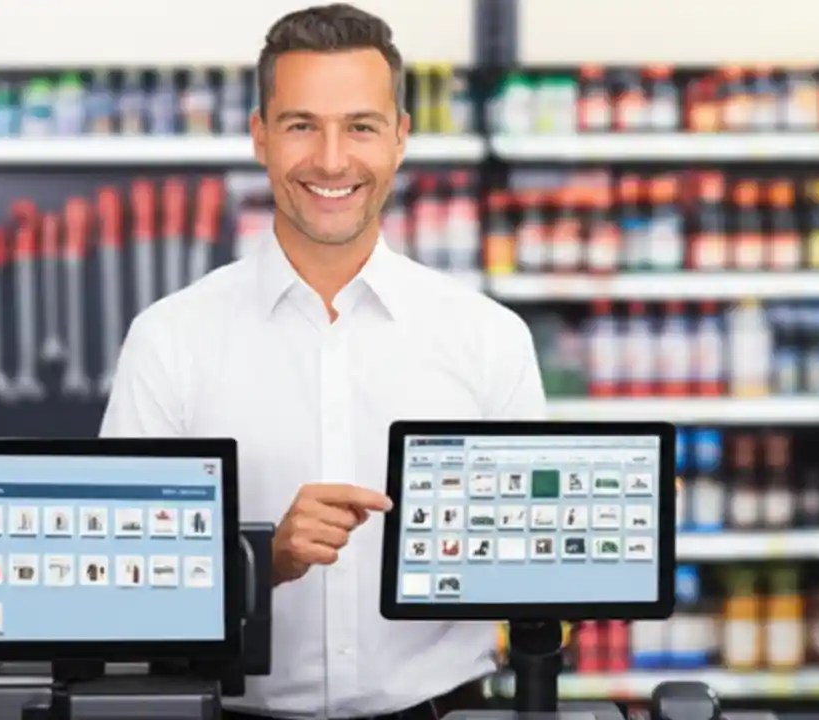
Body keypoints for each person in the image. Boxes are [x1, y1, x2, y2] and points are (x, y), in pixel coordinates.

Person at [100, 3, 546, 718]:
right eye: (302, 125)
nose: (332, 160)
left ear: (401, 138)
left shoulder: (488, 338)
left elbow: (528, 572)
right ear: (261, 138)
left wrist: (592, 554)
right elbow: (116, 584)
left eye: (361, 127)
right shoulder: (170, 339)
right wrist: (260, 564)